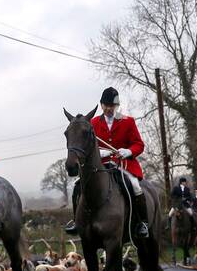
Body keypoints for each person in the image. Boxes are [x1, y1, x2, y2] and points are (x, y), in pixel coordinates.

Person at [64, 87, 150, 239]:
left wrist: (128, 151)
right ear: (101, 105)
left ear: (116, 106)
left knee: (135, 186)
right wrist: (100, 152)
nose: (109, 109)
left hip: (123, 165)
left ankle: (141, 223)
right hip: (100, 165)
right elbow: (88, 146)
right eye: (106, 105)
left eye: (112, 106)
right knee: (78, 186)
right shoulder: (93, 123)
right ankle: (77, 221)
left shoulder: (127, 121)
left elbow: (139, 144)